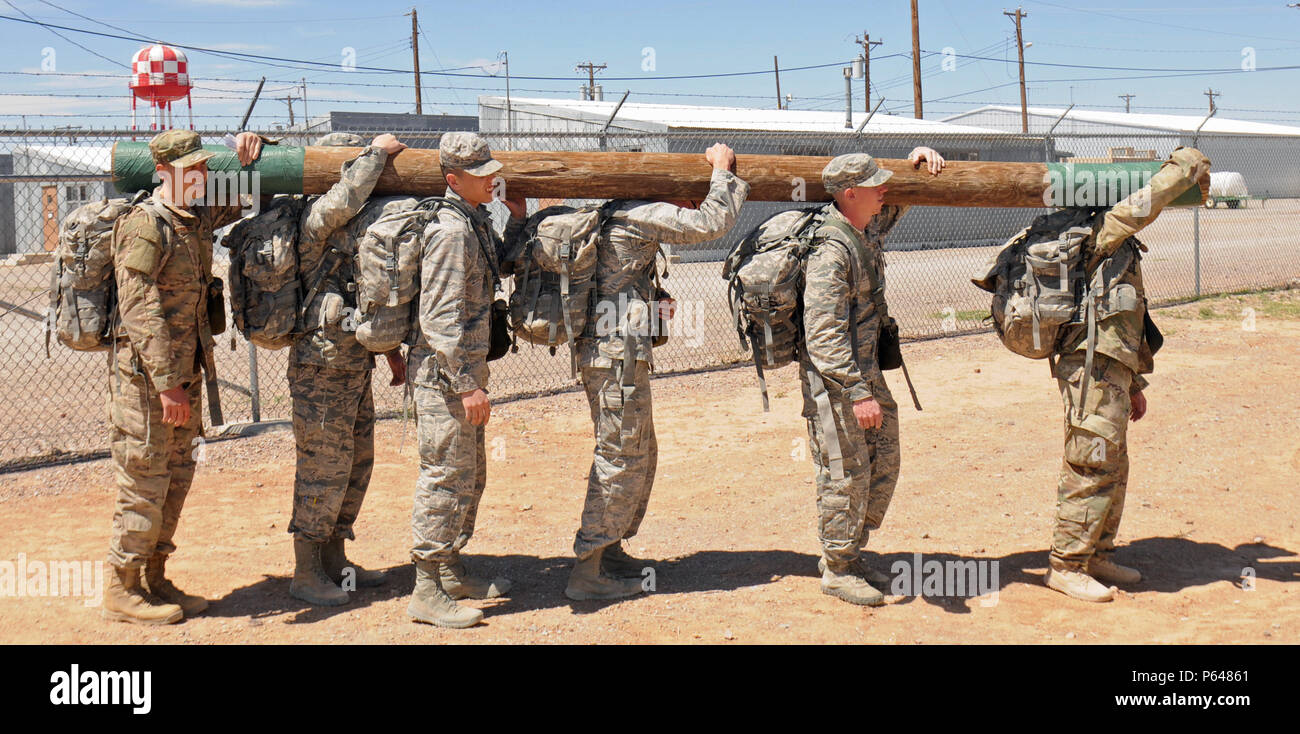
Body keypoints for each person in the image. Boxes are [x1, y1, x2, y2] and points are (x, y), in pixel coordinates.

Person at [564, 143, 750, 601]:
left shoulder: (615, 213)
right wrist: (722, 172)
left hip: (616, 355)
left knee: (638, 450)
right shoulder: (637, 213)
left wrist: (648, 301)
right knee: (621, 455)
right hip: (614, 359)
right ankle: (588, 570)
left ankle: (610, 549)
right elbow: (711, 223)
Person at [103, 129, 263, 624]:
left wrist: (245, 162)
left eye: (203, 167)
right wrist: (169, 384)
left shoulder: (194, 216)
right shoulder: (146, 225)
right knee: (145, 476)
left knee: (176, 476)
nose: (200, 174)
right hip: (150, 382)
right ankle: (120, 585)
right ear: (163, 172)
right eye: (191, 168)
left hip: (185, 373)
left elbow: (242, 202)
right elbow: (139, 310)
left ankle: (154, 577)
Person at [1043, 148, 1210, 602]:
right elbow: (1146, 204)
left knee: (1113, 462)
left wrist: (1134, 382)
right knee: (1091, 460)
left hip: (1111, 367)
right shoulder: (1096, 232)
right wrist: (1186, 168)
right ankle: (1067, 563)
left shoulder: (1113, 243)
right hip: (1090, 369)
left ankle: (1096, 551)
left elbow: (1119, 315)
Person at [801, 147, 943, 607]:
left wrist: (913, 159)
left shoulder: (864, 226)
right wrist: (857, 391)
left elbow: (899, 199)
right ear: (849, 194)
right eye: (874, 183)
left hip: (862, 375)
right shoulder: (831, 250)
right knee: (845, 470)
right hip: (837, 382)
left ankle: (852, 551)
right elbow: (822, 334)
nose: (884, 189)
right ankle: (838, 567)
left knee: (882, 459)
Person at [406, 132, 527, 628]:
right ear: (454, 180)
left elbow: (502, 262)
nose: (490, 179)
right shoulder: (451, 232)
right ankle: (425, 590)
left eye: (491, 170)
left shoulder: (472, 221)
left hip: (462, 375)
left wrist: (517, 219)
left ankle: (450, 571)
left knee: (470, 474)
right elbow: (438, 317)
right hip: (445, 379)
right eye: (480, 175)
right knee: (445, 476)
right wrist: (465, 383)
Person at [286, 131, 410, 607]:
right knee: (323, 465)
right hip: (320, 368)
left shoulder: (351, 226)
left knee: (356, 461)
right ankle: (305, 571)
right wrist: (376, 153)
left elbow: (364, 295)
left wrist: (390, 353)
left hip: (352, 364)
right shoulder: (316, 217)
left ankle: (334, 560)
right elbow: (346, 196)